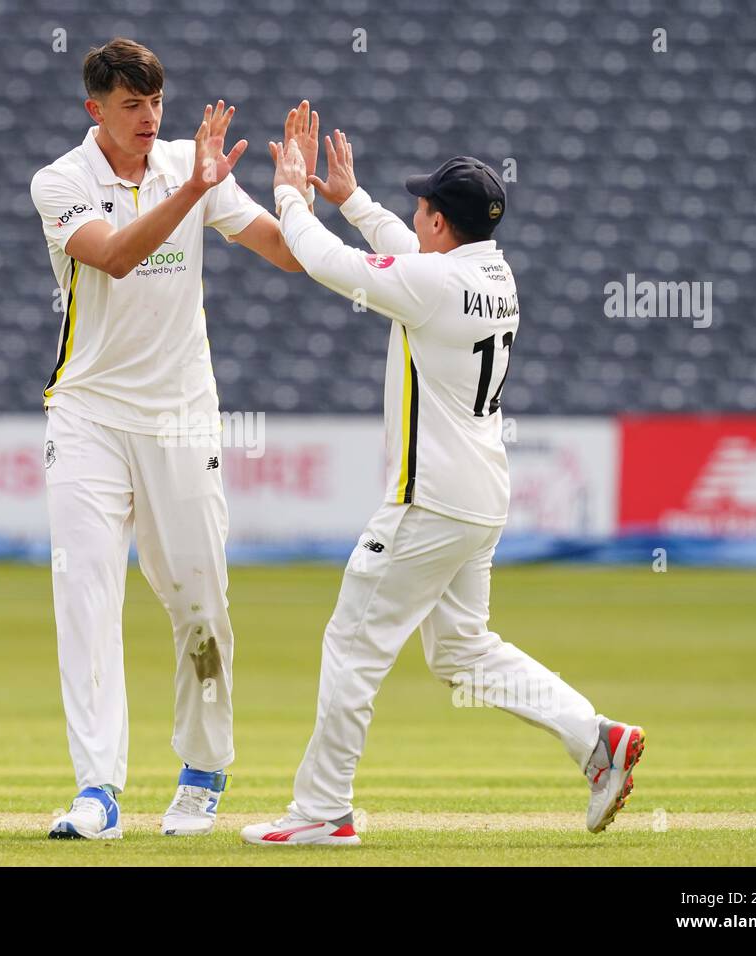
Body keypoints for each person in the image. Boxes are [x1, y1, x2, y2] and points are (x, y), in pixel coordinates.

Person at [240, 134, 645, 846]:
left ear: (438, 222)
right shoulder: (492, 275)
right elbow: (407, 261)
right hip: (479, 499)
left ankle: (322, 811)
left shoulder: (433, 285)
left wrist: (291, 191)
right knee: (461, 652)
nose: (416, 210)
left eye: (422, 203)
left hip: (426, 502)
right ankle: (596, 740)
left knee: (352, 648)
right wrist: (355, 201)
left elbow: (328, 262)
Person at [28, 37, 322, 839]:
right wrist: (195, 185)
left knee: (200, 602)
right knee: (84, 597)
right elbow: (117, 258)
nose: (149, 119)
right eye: (131, 105)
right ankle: (97, 790)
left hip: (182, 416)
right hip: (87, 416)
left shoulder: (190, 171)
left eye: (156, 103)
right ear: (96, 109)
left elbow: (285, 256)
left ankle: (202, 769)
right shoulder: (61, 181)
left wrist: (299, 196)